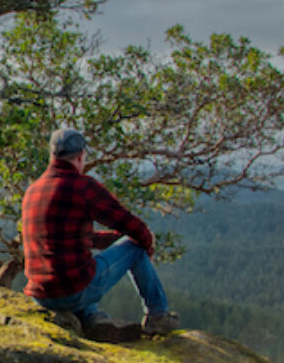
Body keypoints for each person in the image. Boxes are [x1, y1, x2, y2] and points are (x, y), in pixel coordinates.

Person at [21, 127, 180, 339]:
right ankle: (158, 316)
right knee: (133, 249)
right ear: (80, 156)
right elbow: (130, 224)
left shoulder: (33, 189)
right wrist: (145, 243)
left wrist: (116, 239)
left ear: (52, 155)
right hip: (72, 292)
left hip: (41, 295)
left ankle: (93, 319)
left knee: (78, 279)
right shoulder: (83, 187)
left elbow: (75, 238)